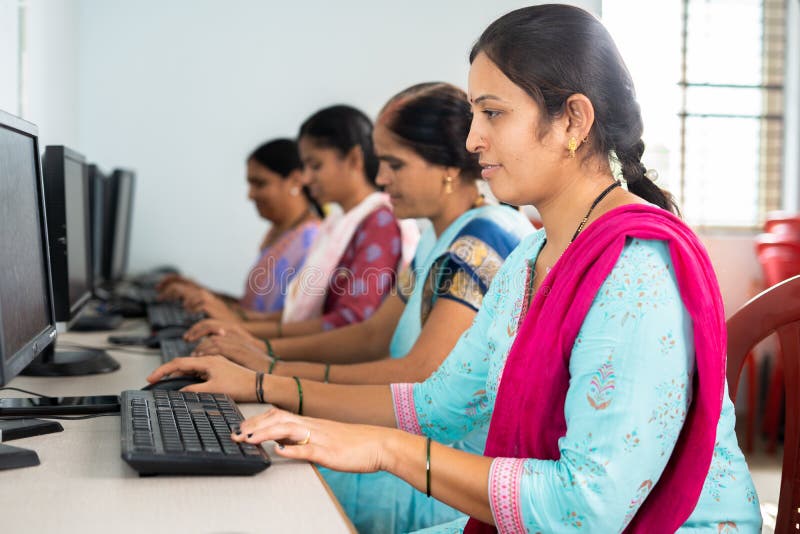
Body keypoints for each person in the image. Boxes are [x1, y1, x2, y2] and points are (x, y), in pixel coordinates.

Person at [223, 5, 761, 532]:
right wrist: (277, 396)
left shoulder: (638, 270)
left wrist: (381, 447)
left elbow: (589, 510)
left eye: (493, 113)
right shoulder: (528, 258)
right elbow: (437, 402)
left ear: (572, 119)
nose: (472, 139)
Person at [149, 82, 532, 532]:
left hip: (442, 473)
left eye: (393, 164)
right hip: (406, 442)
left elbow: (418, 374)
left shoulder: (481, 239)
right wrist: (267, 365)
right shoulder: (433, 238)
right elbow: (372, 335)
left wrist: (266, 380)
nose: (381, 179)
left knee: (267, 475)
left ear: (448, 166)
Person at [184, 105, 419, 340]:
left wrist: (246, 332)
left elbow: (350, 321)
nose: (306, 178)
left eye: (316, 166)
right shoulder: (337, 224)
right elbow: (305, 313)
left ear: (354, 159)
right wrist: (238, 321)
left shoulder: (379, 222)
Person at [157, 139, 320, 317]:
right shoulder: (279, 233)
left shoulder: (312, 240)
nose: (250, 195)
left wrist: (209, 302)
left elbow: (288, 322)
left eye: (260, 184)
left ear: (295, 180)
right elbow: (253, 309)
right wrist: (200, 292)